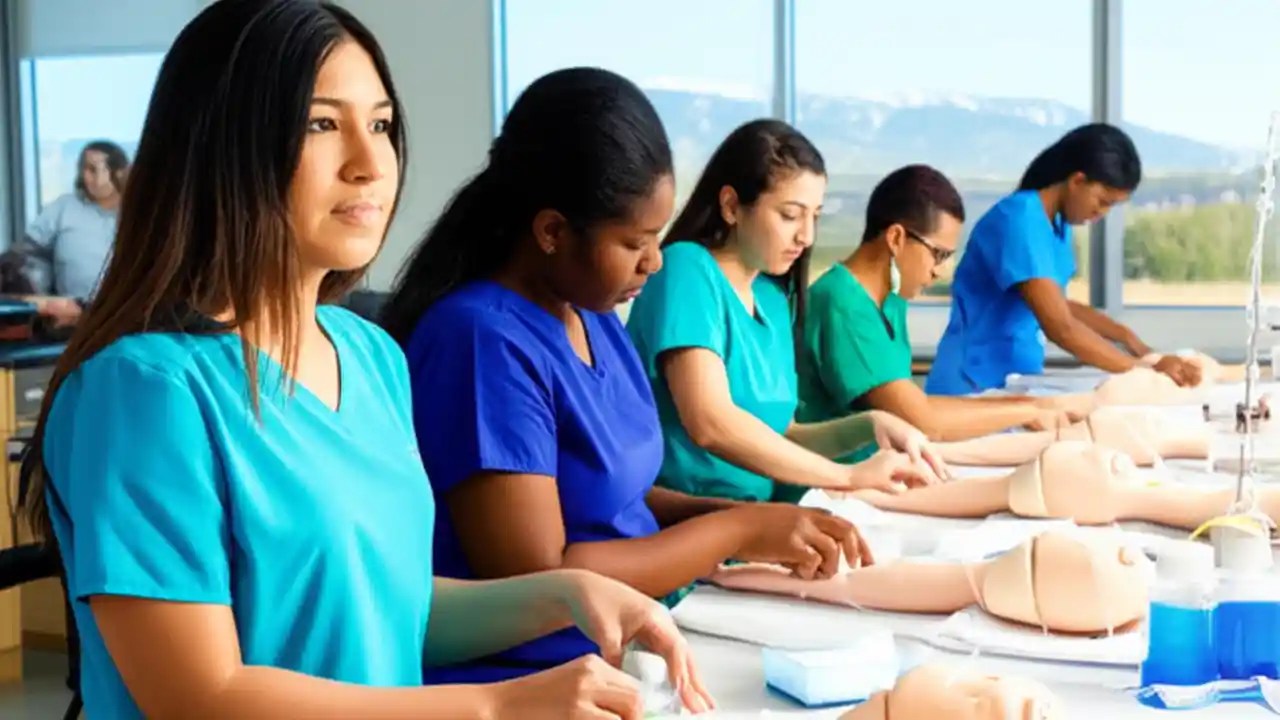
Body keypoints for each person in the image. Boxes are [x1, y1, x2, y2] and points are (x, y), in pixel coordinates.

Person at [19, 3, 707, 718]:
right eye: (323, 124)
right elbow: (199, 694)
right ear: (222, 146)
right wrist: (496, 707)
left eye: (380, 124)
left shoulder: (371, 356)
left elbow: (389, 605)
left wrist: (562, 595)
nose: (371, 163)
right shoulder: (145, 391)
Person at [380, 68, 871, 688]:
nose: (656, 260)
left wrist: (745, 526)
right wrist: (736, 528)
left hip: (618, 649)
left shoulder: (594, 315)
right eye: (635, 241)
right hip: (528, 680)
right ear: (553, 232)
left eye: (658, 238)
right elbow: (545, 579)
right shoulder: (481, 341)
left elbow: (615, 502)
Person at [624, 120, 946, 506]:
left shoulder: (773, 300)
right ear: (730, 207)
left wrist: (872, 425)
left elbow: (784, 433)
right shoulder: (687, 270)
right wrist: (847, 476)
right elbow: (710, 423)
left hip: (755, 518)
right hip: (689, 519)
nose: (807, 237)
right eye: (790, 215)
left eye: (816, 216)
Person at [797, 164, 1090, 451]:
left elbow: (915, 402)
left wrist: (1029, 406)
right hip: (833, 483)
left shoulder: (890, 299)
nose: (940, 271)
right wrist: (1031, 411)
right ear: (896, 238)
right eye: (938, 254)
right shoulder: (842, 307)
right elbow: (924, 421)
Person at [925, 123, 1201, 396]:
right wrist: (1143, 371)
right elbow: (1060, 326)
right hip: (971, 386)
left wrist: (1130, 341)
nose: (1102, 213)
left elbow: (1058, 304)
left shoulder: (1056, 224)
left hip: (1014, 382)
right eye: (1103, 201)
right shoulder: (1018, 220)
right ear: (1077, 181)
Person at [11, 140, 130, 326]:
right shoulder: (63, 208)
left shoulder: (139, 214)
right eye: (85, 169)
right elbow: (24, 256)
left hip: (126, 316)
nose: (89, 177)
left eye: (95, 169)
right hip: (69, 318)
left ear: (120, 172)